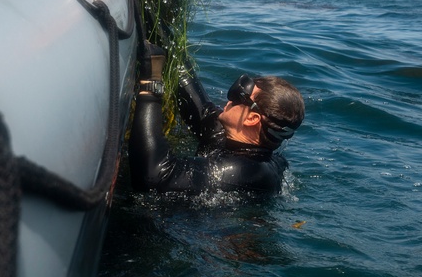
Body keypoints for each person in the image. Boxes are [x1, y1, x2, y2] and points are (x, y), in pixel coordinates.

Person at [128, 57, 306, 196]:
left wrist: (151, 83)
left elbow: (154, 176)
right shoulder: (234, 140)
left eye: (239, 97)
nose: (230, 100)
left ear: (251, 119)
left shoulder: (247, 173)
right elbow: (200, 108)